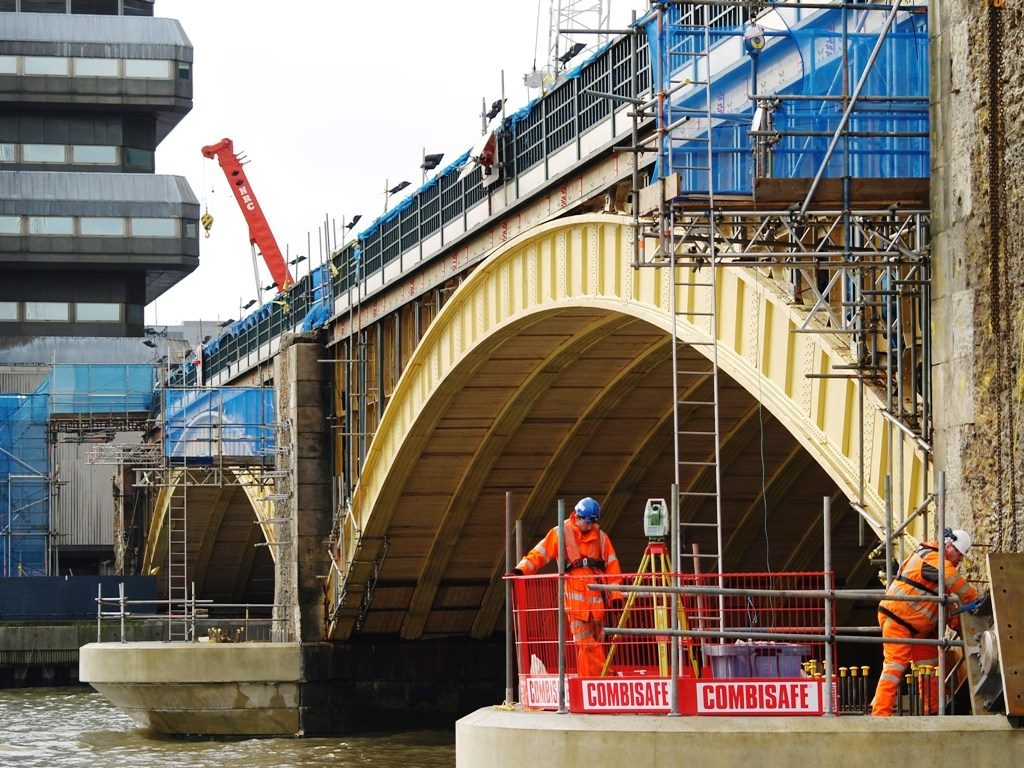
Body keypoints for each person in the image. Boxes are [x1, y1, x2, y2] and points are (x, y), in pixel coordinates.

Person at [870, 528, 979, 716]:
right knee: (895, 666)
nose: (960, 560)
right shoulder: (931, 557)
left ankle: (934, 714)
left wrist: (960, 627)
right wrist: (976, 601)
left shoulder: (937, 567)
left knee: (930, 668)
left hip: (920, 629)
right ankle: (880, 714)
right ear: (949, 545)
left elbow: (945, 606)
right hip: (898, 621)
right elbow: (955, 581)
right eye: (960, 554)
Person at [513, 497, 624, 677]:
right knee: (586, 644)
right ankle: (605, 676)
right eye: (587, 522)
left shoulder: (601, 537)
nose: (590, 526)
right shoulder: (560, 533)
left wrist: (616, 596)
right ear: (577, 516)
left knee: (591, 647)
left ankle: (587, 681)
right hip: (576, 606)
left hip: (597, 606)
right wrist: (521, 569)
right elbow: (539, 554)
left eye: (593, 522)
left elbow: (613, 569)